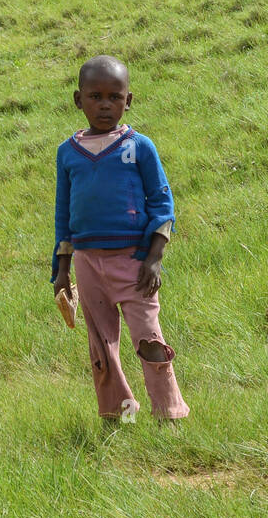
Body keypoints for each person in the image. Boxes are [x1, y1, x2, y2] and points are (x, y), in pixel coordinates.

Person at [51, 56, 189, 423]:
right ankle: (117, 414)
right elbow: (63, 215)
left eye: (115, 96)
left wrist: (154, 258)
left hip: (134, 262)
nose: (105, 104)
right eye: (95, 96)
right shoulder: (68, 153)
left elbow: (162, 203)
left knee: (149, 340)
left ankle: (170, 415)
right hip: (86, 261)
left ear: (129, 100)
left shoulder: (139, 147)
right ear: (78, 100)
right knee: (101, 346)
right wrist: (62, 272)